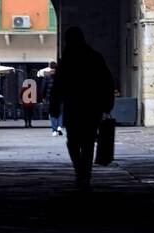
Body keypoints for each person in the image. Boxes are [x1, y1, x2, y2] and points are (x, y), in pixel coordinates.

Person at [49, 29, 114, 190]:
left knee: (73, 141)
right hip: (92, 107)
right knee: (87, 142)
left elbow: (58, 86)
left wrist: (54, 106)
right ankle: (85, 173)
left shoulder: (67, 61)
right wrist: (107, 104)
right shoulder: (95, 57)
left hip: (74, 107)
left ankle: (81, 171)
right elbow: (107, 81)